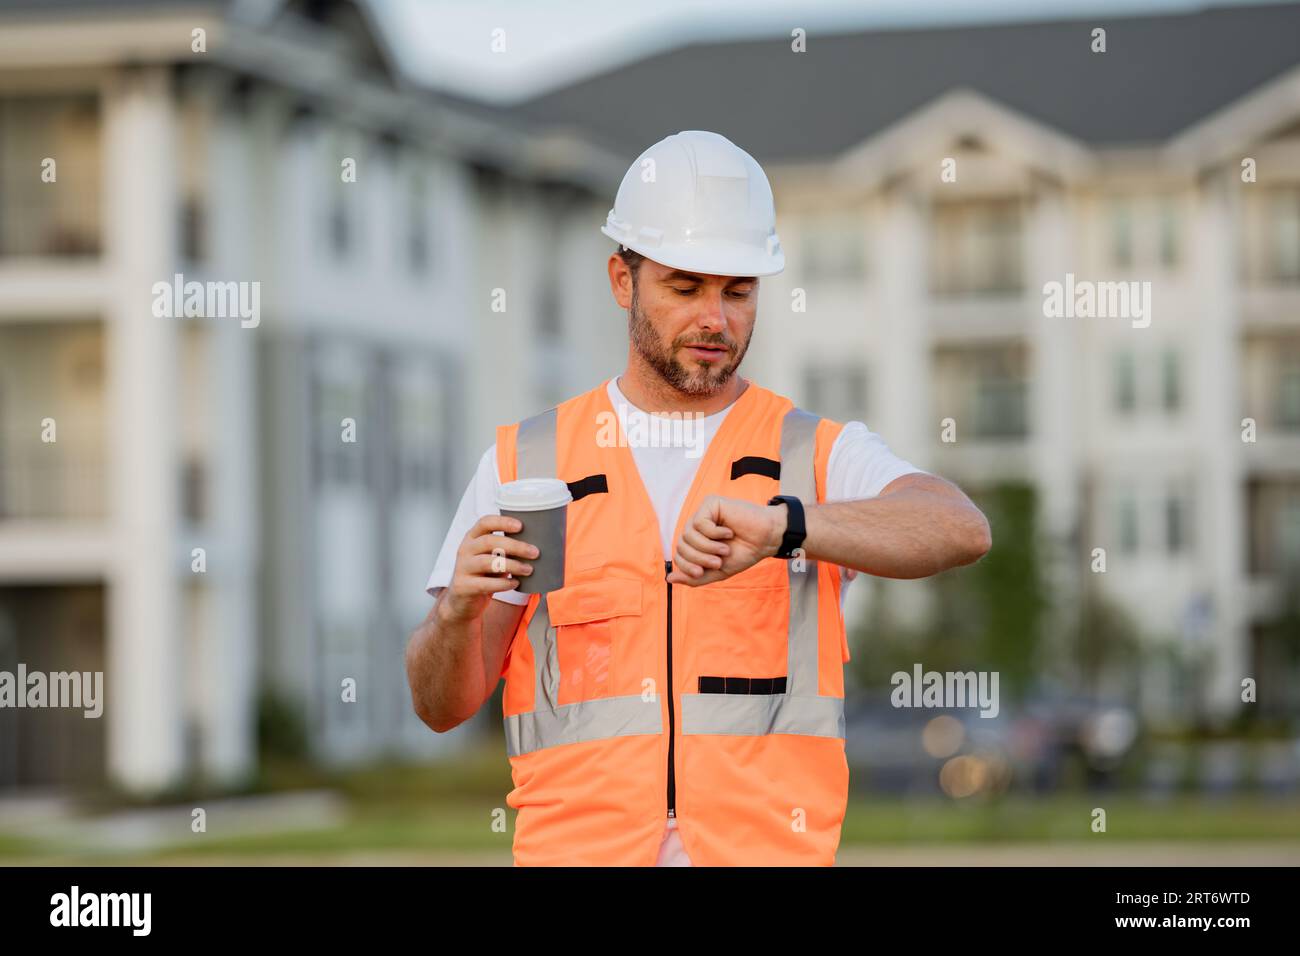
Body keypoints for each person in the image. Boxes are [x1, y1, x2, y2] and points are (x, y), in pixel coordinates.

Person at [407, 130, 991, 866]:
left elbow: (959, 527)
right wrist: (455, 616)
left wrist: (789, 527)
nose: (716, 319)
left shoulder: (808, 454)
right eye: (685, 288)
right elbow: (439, 706)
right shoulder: (527, 465)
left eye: (738, 291)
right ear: (623, 280)